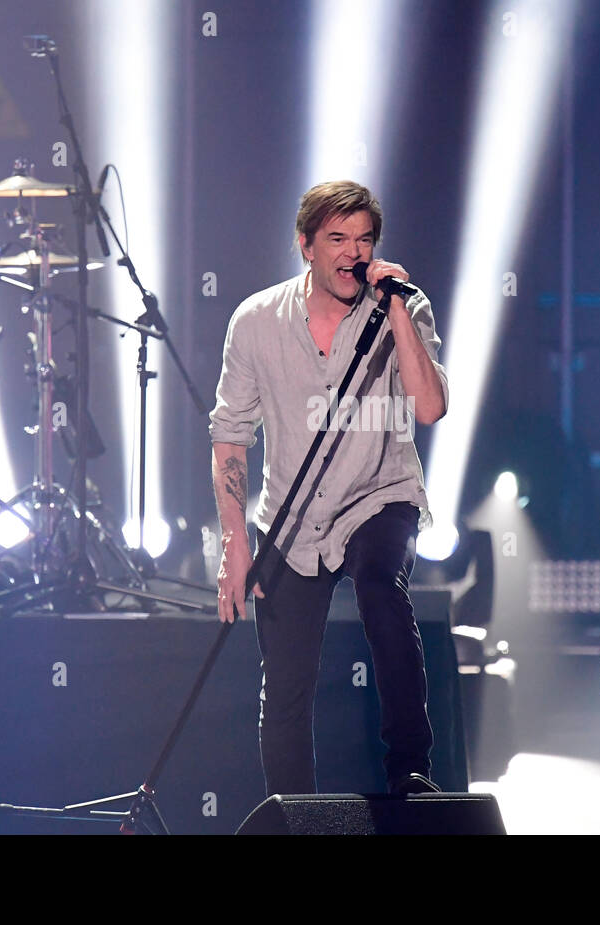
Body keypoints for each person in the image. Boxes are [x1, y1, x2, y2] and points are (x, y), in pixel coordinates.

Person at [209, 180, 449, 796]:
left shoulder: (405, 306)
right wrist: (235, 545)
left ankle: (411, 774)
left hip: (379, 492)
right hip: (291, 514)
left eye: (364, 239)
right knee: (285, 680)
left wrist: (396, 312)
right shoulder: (257, 321)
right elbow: (231, 437)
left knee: (380, 588)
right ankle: (292, 812)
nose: (352, 252)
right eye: (337, 238)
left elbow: (429, 408)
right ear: (306, 246)